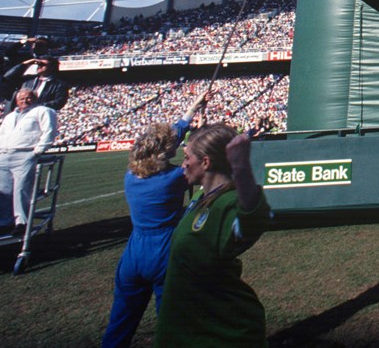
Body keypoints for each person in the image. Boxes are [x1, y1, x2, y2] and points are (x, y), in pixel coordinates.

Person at [103, 91, 207, 348]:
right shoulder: (174, 178)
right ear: (164, 152)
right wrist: (199, 134)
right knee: (171, 320)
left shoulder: (131, 175)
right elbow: (202, 164)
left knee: (120, 322)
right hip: (164, 249)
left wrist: (194, 107)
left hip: (134, 251)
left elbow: (172, 135)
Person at [153, 123, 271, 346]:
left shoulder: (228, 202)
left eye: (187, 157)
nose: (183, 164)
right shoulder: (201, 198)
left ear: (206, 162)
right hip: (189, 325)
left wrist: (241, 166)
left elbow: (253, 220)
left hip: (219, 332)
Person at [0, 88, 57, 236]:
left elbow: (49, 131)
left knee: (21, 190)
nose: (25, 101)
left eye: (28, 98)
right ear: (16, 100)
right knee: (2, 192)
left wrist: (37, 151)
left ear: (35, 99)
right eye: (21, 98)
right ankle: (4, 224)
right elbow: (0, 135)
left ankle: (21, 223)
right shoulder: (10, 116)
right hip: (3, 155)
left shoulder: (43, 111)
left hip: (25, 153)